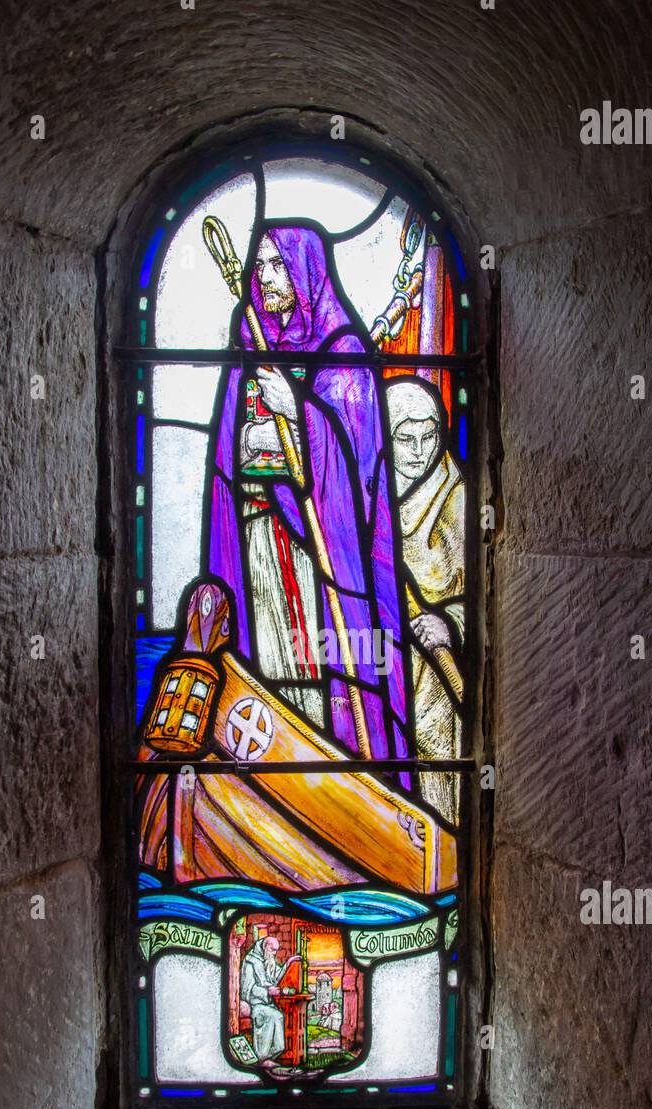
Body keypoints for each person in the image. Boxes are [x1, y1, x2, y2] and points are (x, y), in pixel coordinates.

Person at [204, 224, 411, 765]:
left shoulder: (340, 350)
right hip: (258, 537)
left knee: (319, 663)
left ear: (306, 274)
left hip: (318, 552)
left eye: (278, 267)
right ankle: (271, 764)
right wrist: (254, 435)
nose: (266, 279)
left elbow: (354, 461)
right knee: (271, 658)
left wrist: (295, 407)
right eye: (260, 267)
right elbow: (229, 453)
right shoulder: (249, 348)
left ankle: (340, 762)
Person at [386, 377, 464, 823]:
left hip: (436, 671)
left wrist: (450, 624)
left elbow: (474, 600)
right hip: (387, 658)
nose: (419, 449)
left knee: (433, 761)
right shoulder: (372, 491)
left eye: (428, 436)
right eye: (405, 437)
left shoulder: (455, 498)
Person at [239, 934, 285, 1062]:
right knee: (272, 1016)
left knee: (279, 1015)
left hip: (268, 1004)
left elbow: (278, 975)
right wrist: (267, 992)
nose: (275, 953)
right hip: (255, 1004)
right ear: (265, 947)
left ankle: (274, 1054)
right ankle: (263, 1057)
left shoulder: (268, 959)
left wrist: (289, 966)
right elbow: (247, 989)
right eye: (273, 950)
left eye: (276, 950)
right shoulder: (251, 961)